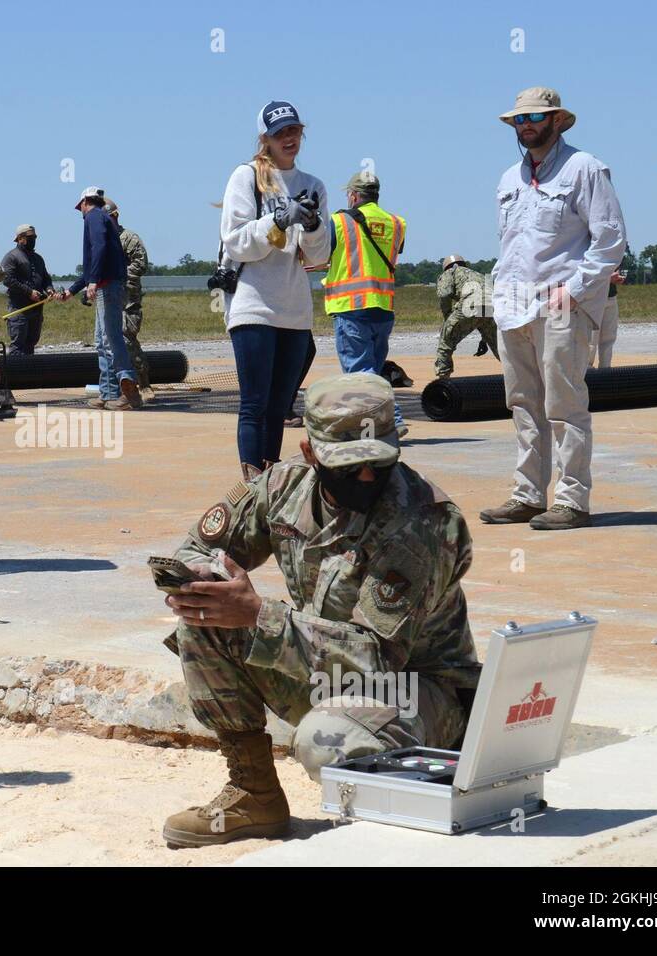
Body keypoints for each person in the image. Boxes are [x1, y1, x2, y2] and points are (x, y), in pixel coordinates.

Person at [159, 372, 479, 848]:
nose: (367, 477)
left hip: (420, 693)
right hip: (329, 672)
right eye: (349, 466)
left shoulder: (422, 523)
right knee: (206, 618)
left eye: (379, 462)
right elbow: (195, 551)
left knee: (327, 739)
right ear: (310, 453)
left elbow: (377, 661)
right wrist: (202, 583)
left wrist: (258, 615)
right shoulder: (284, 486)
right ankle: (255, 794)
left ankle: (399, 826)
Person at [481, 87, 626, 531]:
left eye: (535, 117)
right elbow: (512, 248)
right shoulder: (510, 179)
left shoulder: (584, 169)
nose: (526, 125)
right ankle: (527, 495)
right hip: (513, 307)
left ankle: (572, 500)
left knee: (564, 405)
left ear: (557, 120)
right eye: (520, 119)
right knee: (524, 405)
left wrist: (576, 289)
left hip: (561, 304)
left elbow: (611, 240)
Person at [219, 101, 329, 478]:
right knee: (255, 402)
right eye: (280, 132)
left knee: (280, 404)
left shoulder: (313, 186)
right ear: (264, 138)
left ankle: (271, 478)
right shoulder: (246, 177)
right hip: (253, 305)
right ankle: (252, 487)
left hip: (294, 309)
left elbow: (317, 256)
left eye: (294, 131)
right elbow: (236, 242)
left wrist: (312, 225)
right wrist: (278, 219)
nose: (289, 138)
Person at [323, 171, 408, 436]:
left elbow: (323, 252)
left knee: (360, 373)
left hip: (351, 306)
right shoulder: (397, 223)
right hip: (383, 308)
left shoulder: (339, 222)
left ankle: (391, 419)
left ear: (353, 195)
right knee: (372, 371)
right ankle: (374, 425)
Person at [64, 186, 141, 410]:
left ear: (85, 203)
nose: (81, 212)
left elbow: (98, 247)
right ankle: (108, 394)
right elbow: (94, 262)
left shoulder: (94, 217)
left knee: (111, 338)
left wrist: (94, 281)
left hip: (107, 287)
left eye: (80, 208)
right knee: (102, 340)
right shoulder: (104, 218)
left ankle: (129, 393)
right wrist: (73, 289)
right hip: (106, 285)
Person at [106, 200, 152, 398]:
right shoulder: (102, 241)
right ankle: (116, 388)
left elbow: (140, 264)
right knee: (107, 342)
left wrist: (119, 275)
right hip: (108, 298)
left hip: (128, 299)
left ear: (115, 217)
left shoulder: (129, 239)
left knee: (127, 338)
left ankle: (143, 383)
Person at [434, 254, 499, 378]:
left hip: (470, 306)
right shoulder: (480, 275)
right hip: (492, 307)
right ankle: (519, 376)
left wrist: (447, 318)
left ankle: (443, 378)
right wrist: (485, 339)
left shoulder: (450, 272)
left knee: (445, 342)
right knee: (501, 348)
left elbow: (444, 295)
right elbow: (486, 301)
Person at [0, 225, 55, 355]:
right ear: (20, 239)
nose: (33, 240)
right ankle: (15, 374)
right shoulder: (11, 257)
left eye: (34, 237)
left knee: (31, 345)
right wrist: (29, 292)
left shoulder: (38, 258)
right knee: (18, 347)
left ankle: (28, 374)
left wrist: (49, 289)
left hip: (36, 310)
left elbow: (46, 278)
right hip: (19, 310)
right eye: (30, 237)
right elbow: (7, 279)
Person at [592, 262, 625, 368]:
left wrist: (615, 278)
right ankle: (587, 373)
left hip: (611, 296)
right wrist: (607, 279)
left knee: (609, 338)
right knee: (591, 339)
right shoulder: (585, 246)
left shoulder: (615, 248)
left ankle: (605, 371)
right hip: (593, 298)